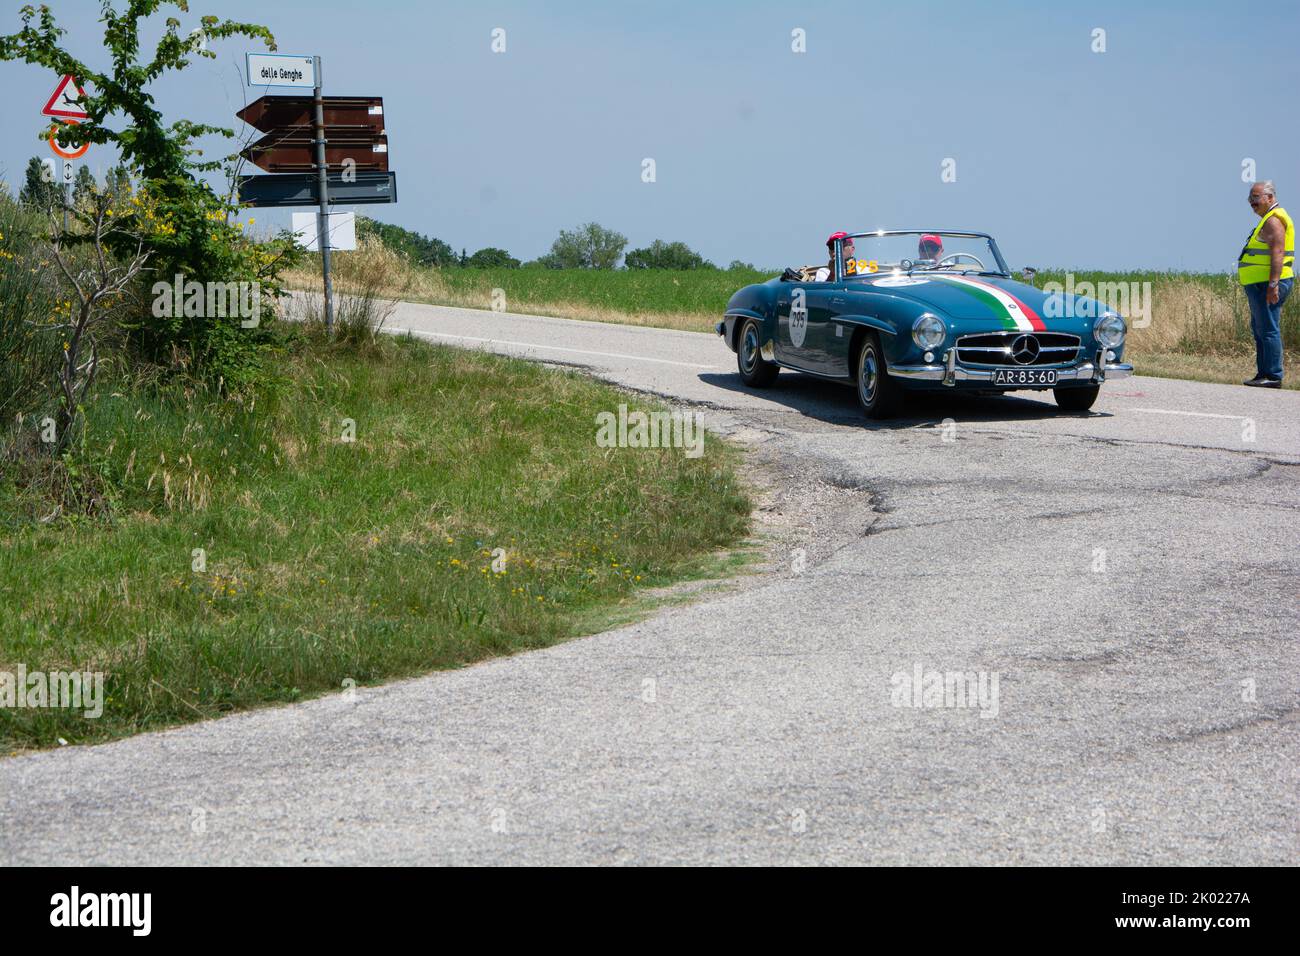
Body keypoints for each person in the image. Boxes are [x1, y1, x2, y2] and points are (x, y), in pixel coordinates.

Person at [1239, 181, 1293, 387]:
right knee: (1260, 328)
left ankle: (1273, 376)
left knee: (1268, 328)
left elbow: (1277, 253)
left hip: (1266, 284)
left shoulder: (1273, 220)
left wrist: (1273, 285)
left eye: (1256, 197)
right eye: (1250, 198)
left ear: (1270, 198)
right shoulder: (1267, 219)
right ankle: (1263, 373)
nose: (1252, 202)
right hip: (1259, 283)